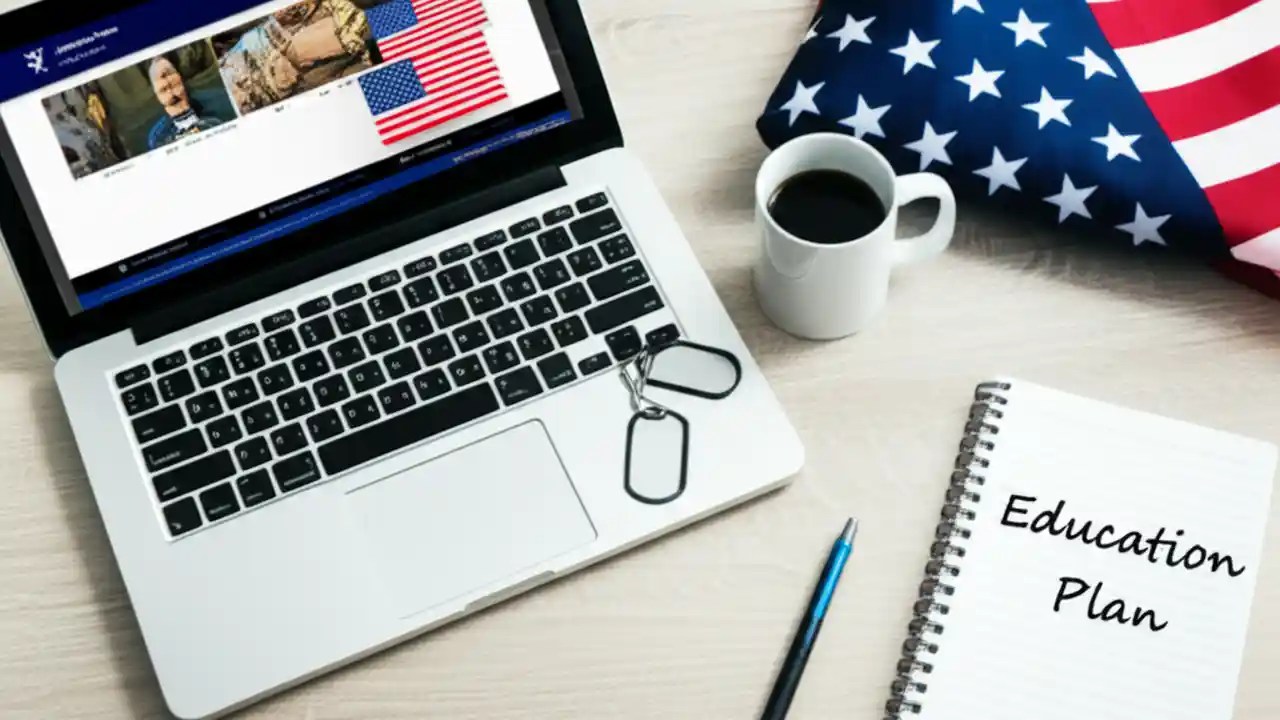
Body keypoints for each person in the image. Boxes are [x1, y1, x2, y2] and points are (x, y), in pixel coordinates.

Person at [146, 56, 225, 149]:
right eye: (163, 90)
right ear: (157, 96)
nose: (171, 93)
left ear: (181, 79)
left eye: (173, 85)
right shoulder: (157, 137)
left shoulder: (219, 102)